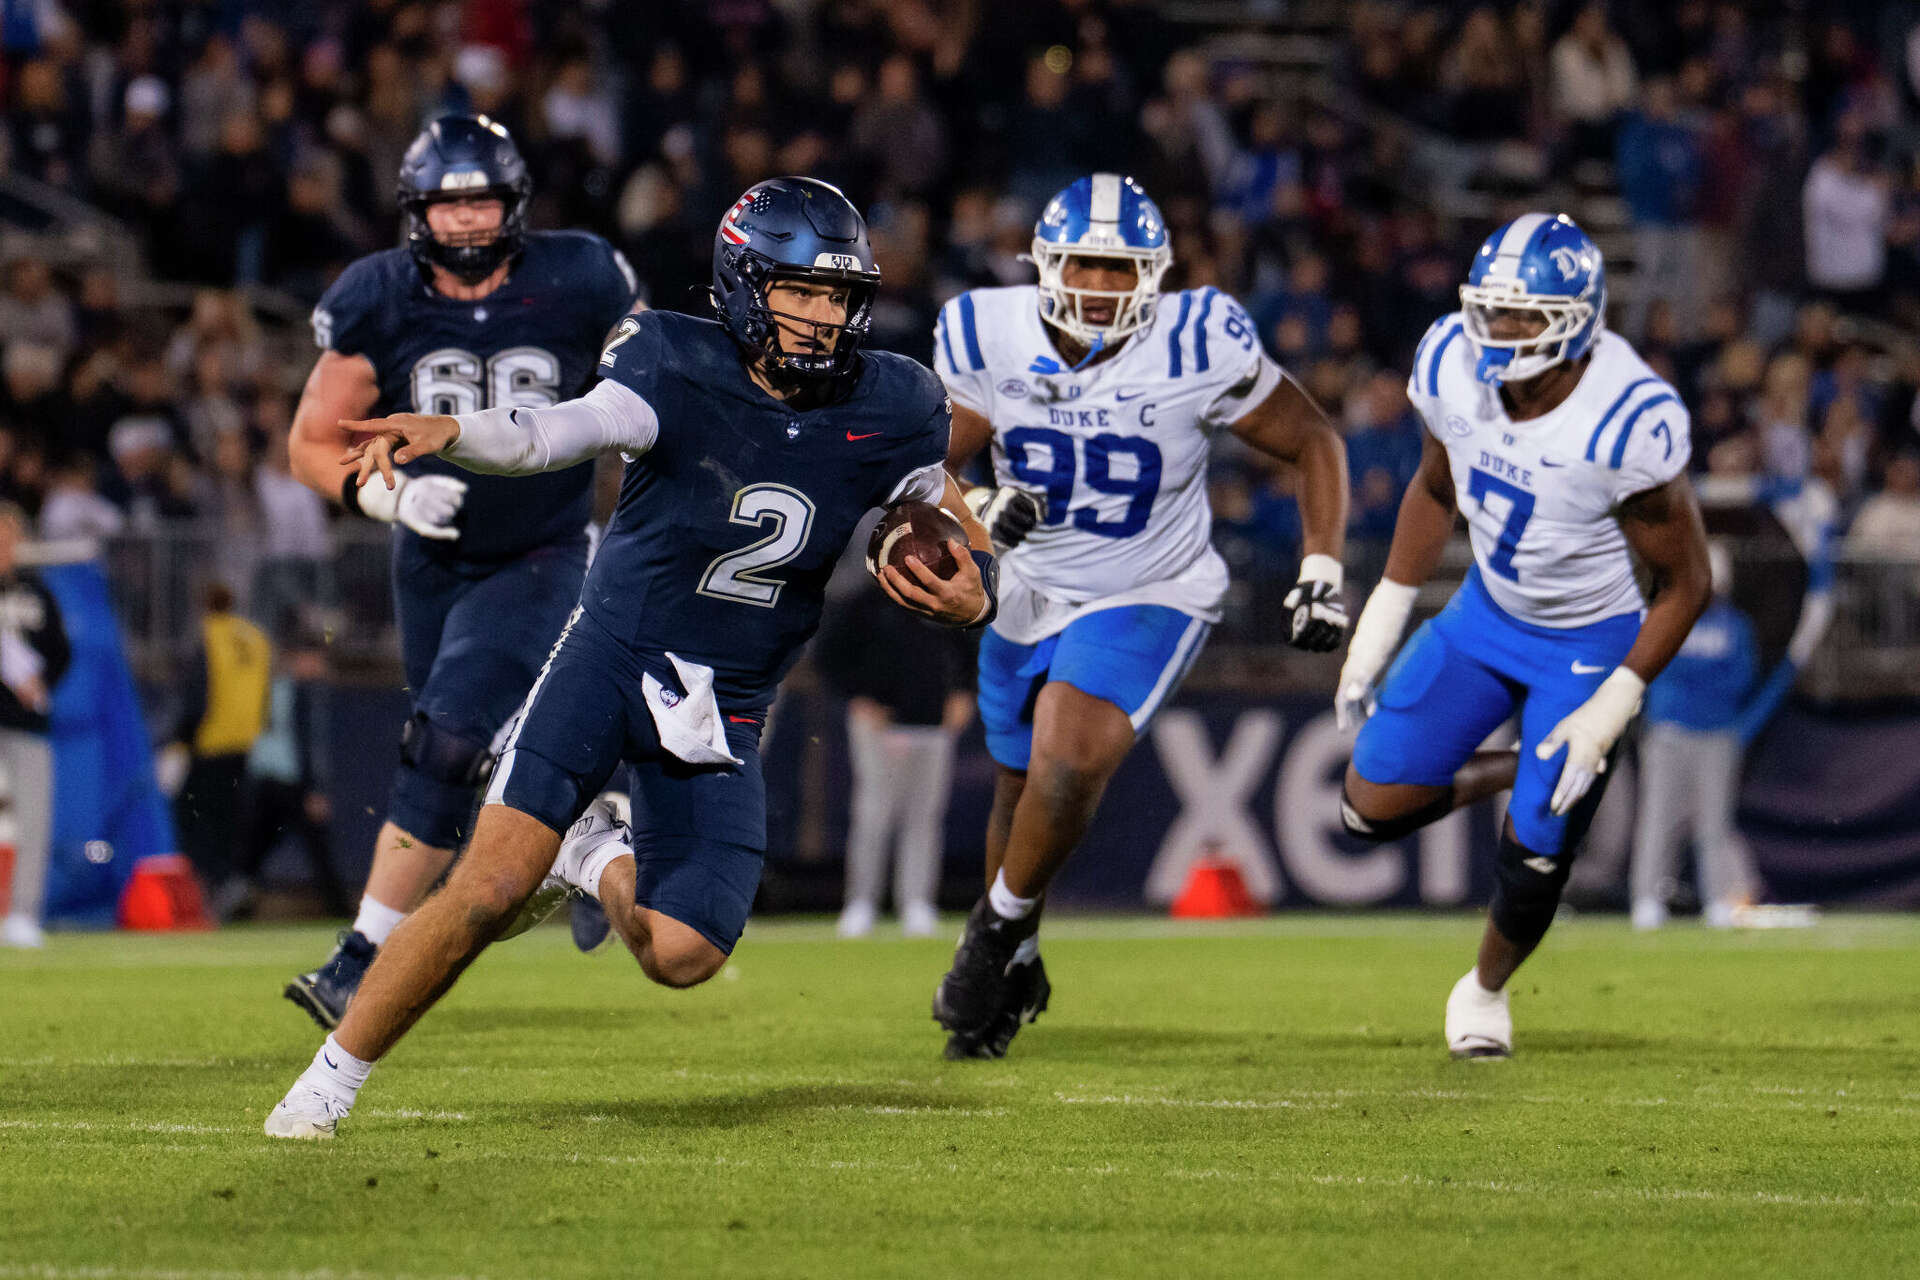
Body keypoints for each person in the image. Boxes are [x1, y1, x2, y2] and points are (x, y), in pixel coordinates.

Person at [264, 176, 996, 1139]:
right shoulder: (672, 360)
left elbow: (938, 491)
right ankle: (327, 1083)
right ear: (742, 284)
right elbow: (552, 431)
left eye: (836, 295)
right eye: (799, 290)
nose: (821, 317)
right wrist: (454, 433)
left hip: (728, 700)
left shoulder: (892, 399)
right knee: (488, 885)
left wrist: (975, 578)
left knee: (683, 954)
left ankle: (593, 853)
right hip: (610, 657)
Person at [930, 173, 1352, 1060]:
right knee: (1018, 783)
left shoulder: (1197, 338)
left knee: (1066, 752)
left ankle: (991, 935)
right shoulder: (984, 330)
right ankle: (1019, 959)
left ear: (1155, 275)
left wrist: (1320, 565)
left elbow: (1315, 439)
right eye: (1084, 264)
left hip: (1150, 582)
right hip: (1026, 586)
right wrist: (977, 505)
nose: (1100, 286)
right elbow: (928, 469)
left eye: (1121, 269)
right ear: (1045, 265)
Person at [280, 115, 639, 1029]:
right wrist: (387, 500)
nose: (469, 219)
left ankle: (360, 957)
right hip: (431, 555)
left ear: (514, 203)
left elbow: (649, 387)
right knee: (449, 750)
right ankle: (590, 834)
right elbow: (310, 444)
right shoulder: (378, 295)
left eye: (483, 199)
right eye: (450, 203)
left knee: (445, 737)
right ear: (416, 212)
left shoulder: (581, 275)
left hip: (543, 546)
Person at [1335, 213, 1711, 1058]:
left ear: (1577, 321)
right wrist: (1387, 610)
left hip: (1587, 639)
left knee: (1539, 850)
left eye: (1523, 315)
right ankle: (1523, 764)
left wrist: (1616, 700)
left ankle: (1484, 989)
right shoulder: (1449, 362)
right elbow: (1436, 488)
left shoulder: (1626, 417)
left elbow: (1689, 584)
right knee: (1368, 809)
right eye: (1491, 310)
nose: (1499, 331)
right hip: (1484, 616)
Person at [1631, 540, 1833, 930]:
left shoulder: (1734, 625)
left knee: (1715, 822)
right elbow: (1656, 672)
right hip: (1669, 732)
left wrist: (1701, 692)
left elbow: (1741, 677)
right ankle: (1646, 898)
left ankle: (1719, 898)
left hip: (1717, 735)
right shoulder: (1667, 617)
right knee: (1658, 818)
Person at [815, 570, 977, 939]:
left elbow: (968, 646)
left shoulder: (943, 592)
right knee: (874, 813)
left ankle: (917, 902)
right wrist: (858, 696)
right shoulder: (868, 600)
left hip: (932, 722)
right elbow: (829, 654)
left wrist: (964, 692)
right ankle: (861, 902)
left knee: (924, 816)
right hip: (880, 723)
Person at [0, 504, 70, 948]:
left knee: (34, 820)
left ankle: (23, 914)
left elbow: (60, 650)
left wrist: (41, 683)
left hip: (27, 722)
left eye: (9, 538)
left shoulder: (37, 592)